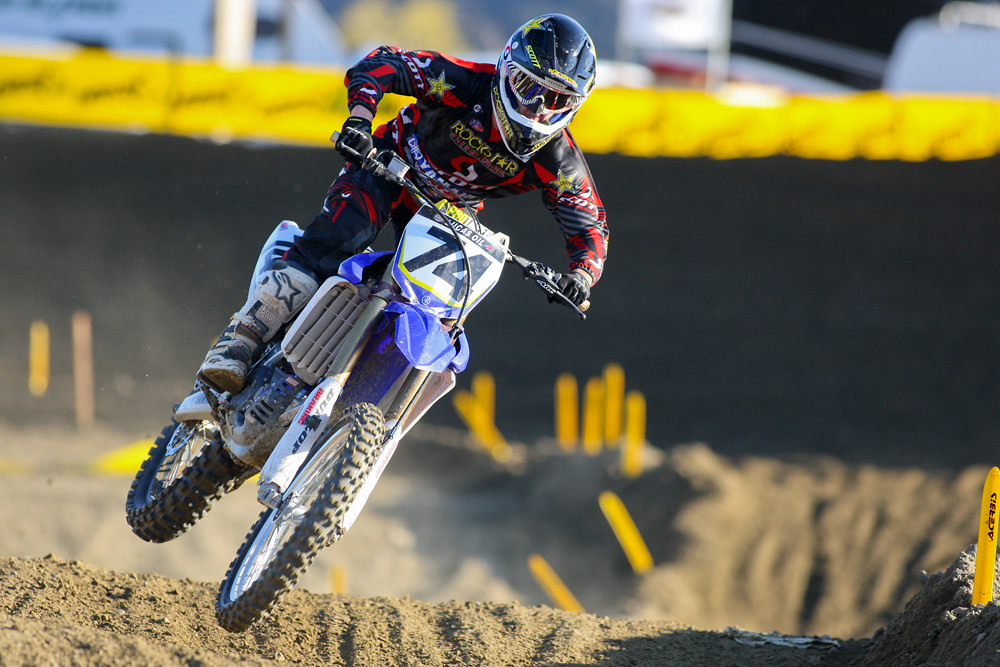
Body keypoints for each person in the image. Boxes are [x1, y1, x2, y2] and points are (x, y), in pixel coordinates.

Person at [198, 13, 609, 394]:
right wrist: (360, 119)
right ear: (505, 69)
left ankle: (359, 398)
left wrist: (582, 276)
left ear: (575, 106)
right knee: (337, 240)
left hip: (448, 213)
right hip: (389, 166)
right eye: (528, 87)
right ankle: (241, 339)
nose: (535, 108)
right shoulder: (464, 82)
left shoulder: (559, 160)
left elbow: (589, 222)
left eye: (555, 100)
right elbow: (384, 63)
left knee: (445, 315)